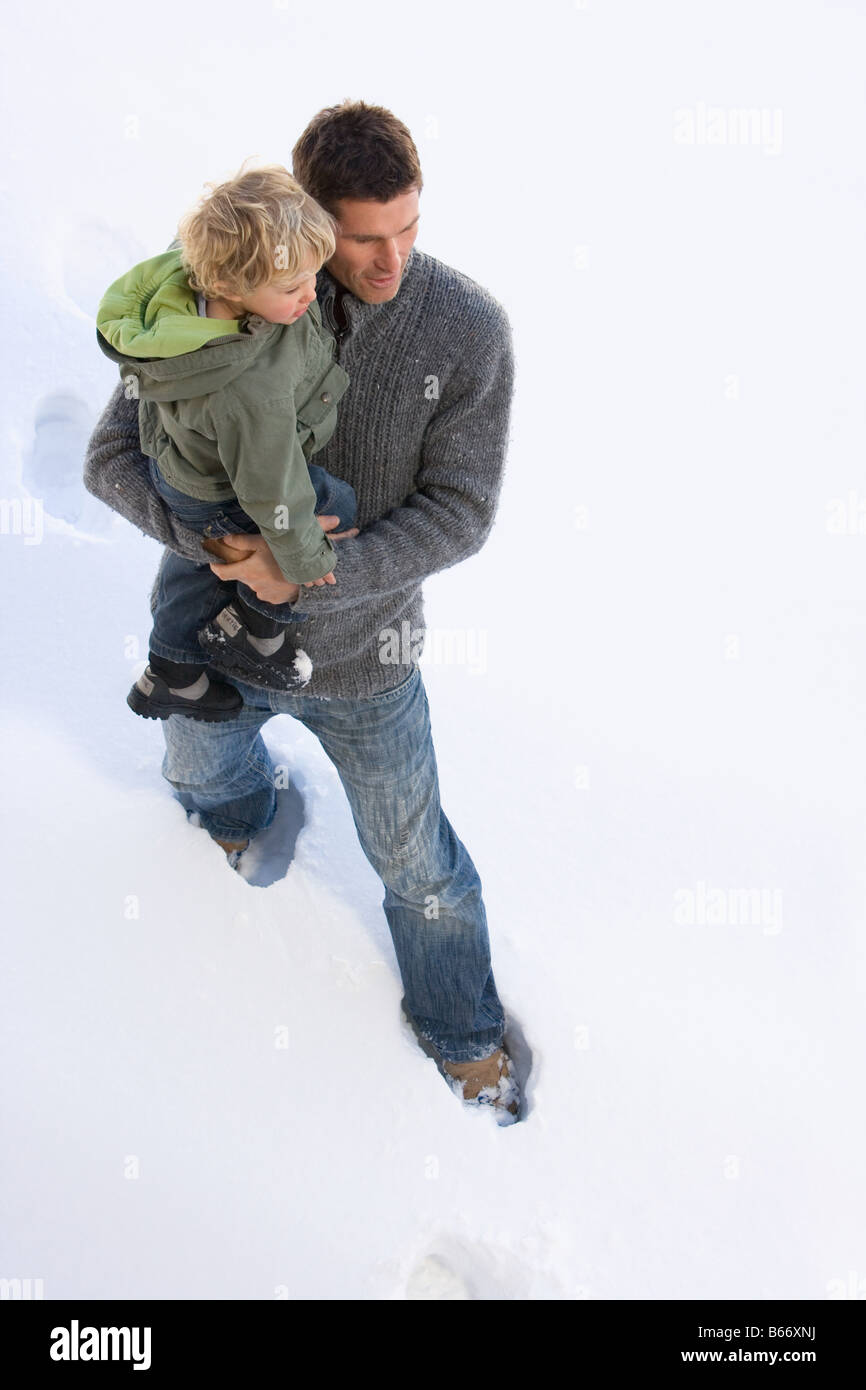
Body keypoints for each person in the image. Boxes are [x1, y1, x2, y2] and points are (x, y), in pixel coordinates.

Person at [85, 100, 520, 1123]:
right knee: (201, 775)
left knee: (419, 866)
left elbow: (462, 512)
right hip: (212, 643)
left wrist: (318, 574)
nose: (390, 261)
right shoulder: (222, 295)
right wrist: (221, 552)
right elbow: (112, 459)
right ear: (308, 222)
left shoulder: (464, 331)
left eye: (407, 227)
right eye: (362, 238)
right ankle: (237, 831)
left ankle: (461, 1033)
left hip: (367, 661)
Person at [96, 165, 358, 722]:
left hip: (181, 462)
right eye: (292, 287)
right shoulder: (248, 388)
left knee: (195, 556)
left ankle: (170, 670)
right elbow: (272, 483)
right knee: (330, 505)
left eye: (315, 275)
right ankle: (258, 631)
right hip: (222, 482)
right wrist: (302, 560)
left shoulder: (188, 280)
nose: (311, 293)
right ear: (229, 288)